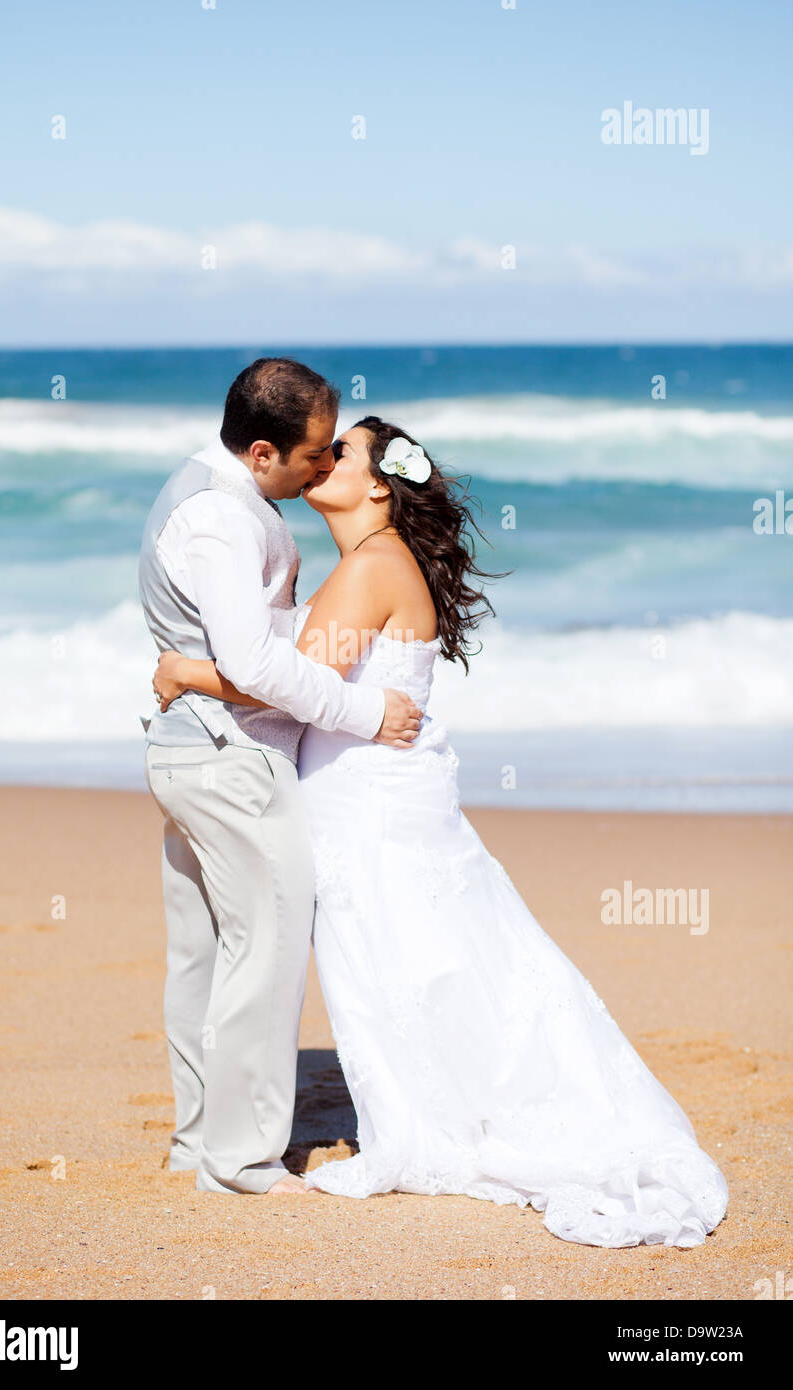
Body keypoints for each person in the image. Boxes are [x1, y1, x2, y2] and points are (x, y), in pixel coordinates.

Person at [153, 413, 730, 1247]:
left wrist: (183, 669)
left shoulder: (370, 569)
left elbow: (278, 683)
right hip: (384, 790)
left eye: (338, 452)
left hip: (372, 801)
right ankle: (463, 1099)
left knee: (406, 953)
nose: (321, 460)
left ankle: (452, 1116)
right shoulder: (377, 563)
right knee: (438, 950)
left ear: (380, 484)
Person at [139, 362, 422, 1198]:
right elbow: (255, 661)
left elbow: (253, 642)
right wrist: (368, 713)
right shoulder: (225, 520)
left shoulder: (207, 492)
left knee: (203, 953)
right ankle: (240, 1161)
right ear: (262, 452)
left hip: (192, 750)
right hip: (231, 759)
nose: (323, 464)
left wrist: (189, 671)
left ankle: (199, 1144)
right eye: (312, 453)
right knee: (262, 953)